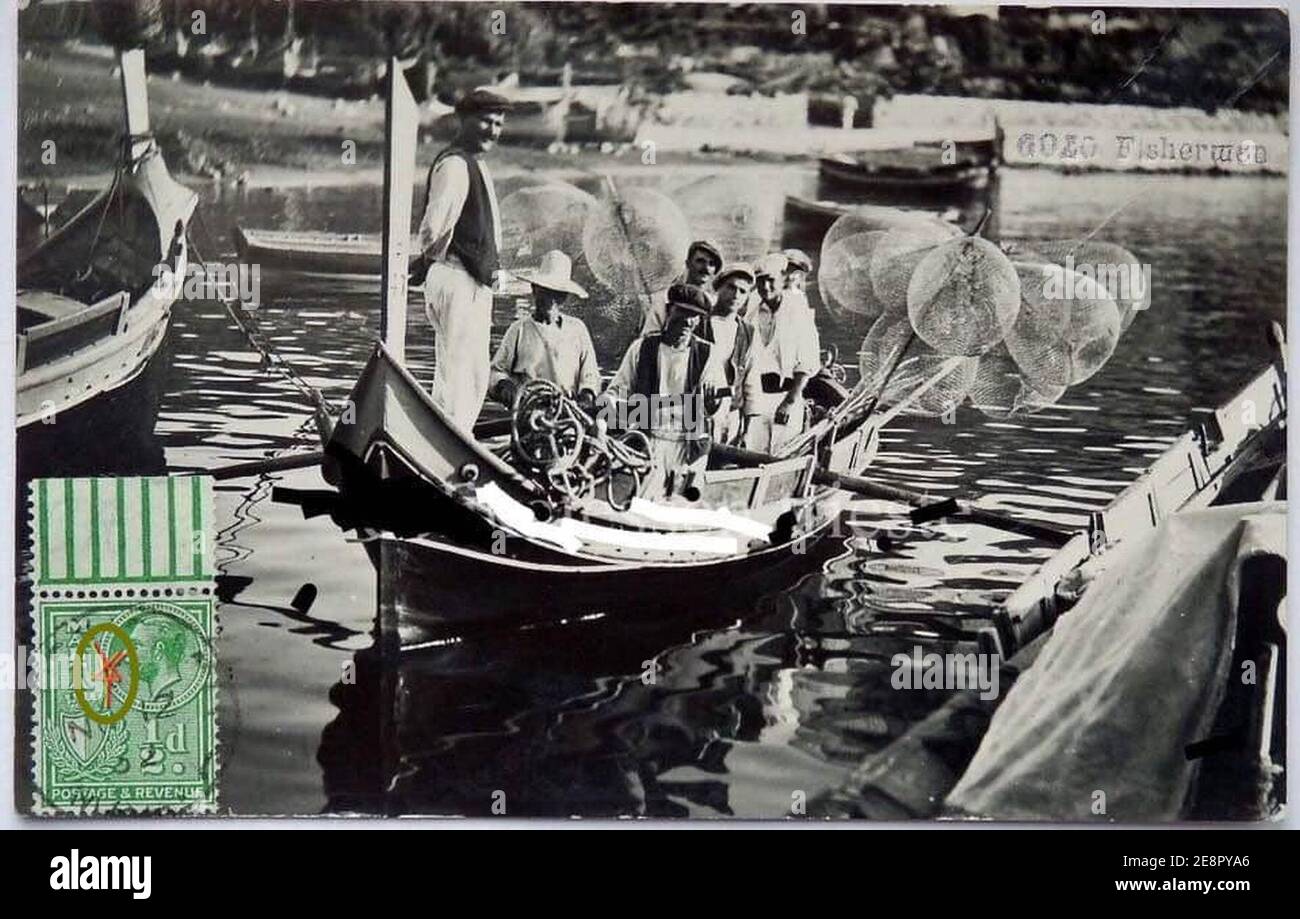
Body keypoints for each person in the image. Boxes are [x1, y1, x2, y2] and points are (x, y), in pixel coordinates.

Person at [411, 88, 510, 430]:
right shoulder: (455, 164)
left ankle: (447, 435)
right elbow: (434, 227)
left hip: (464, 279)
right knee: (463, 373)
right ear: (464, 120)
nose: (493, 130)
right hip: (458, 278)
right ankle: (449, 442)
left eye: (498, 123)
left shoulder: (472, 163)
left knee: (461, 371)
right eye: (486, 121)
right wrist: (435, 260)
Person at [600, 284, 726, 496]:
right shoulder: (642, 348)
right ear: (669, 310)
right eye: (683, 312)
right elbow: (617, 391)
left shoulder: (708, 354)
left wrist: (712, 406)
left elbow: (717, 412)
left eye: (695, 316)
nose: (688, 320)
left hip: (687, 448)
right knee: (637, 505)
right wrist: (610, 406)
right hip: (646, 442)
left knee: (677, 512)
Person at [488, 250, 600, 408]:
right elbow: (495, 370)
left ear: (564, 297)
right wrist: (504, 384)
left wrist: (587, 394)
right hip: (529, 412)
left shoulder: (577, 330)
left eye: (557, 294)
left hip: (568, 412)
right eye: (545, 291)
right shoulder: (519, 330)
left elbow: (590, 375)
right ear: (534, 289)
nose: (550, 300)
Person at [737, 253, 821, 453]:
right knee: (751, 452)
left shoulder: (797, 309)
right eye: (760, 281)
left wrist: (789, 402)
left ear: (783, 279)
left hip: (785, 394)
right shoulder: (753, 308)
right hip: (755, 396)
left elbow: (806, 361)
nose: (765, 287)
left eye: (770, 280)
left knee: (781, 452)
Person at [698, 263, 755, 443]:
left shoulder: (748, 331)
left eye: (743, 291)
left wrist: (746, 430)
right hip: (696, 412)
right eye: (731, 287)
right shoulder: (699, 323)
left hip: (731, 415)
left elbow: (751, 382)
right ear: (718, 287)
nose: (736, 295)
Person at [639, 239, 724, 335]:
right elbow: (648, 337)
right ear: (688, 263)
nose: (706, 268)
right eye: (700, 261)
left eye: (712, 264)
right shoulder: (664, 299)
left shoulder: (713, 304)